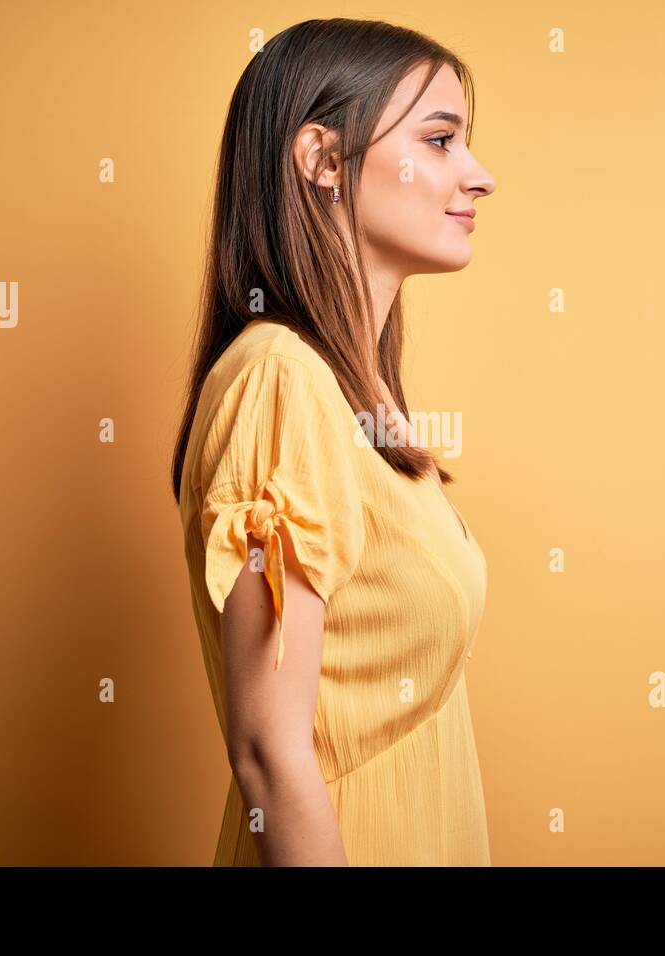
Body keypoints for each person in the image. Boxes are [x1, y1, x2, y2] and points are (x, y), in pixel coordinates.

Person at [170, 17, 497, 866]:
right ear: (322, 160)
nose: (479, 176)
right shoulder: (281, 379)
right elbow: (270, 756)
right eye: (439, 139)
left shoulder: (357, 396)